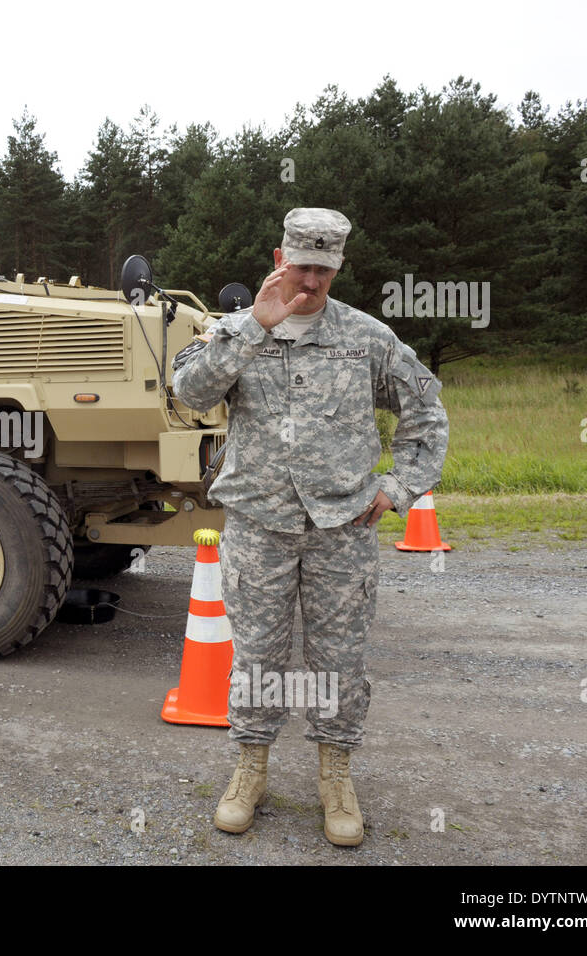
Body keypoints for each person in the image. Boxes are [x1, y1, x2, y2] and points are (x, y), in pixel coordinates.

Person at [171, 208, 449, 847]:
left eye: (325, 268)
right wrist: (251, 330)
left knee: (339, 658)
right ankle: (250, 768)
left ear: (338, 267)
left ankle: (335, 775)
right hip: (259, 525)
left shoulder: (366, 339)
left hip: (341, 529)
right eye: (303, 266)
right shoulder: (237, 330)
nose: (313, 279)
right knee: (258, 654)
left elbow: (426, 411)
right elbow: (188, 391)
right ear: (279, 260)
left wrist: (398, 487)